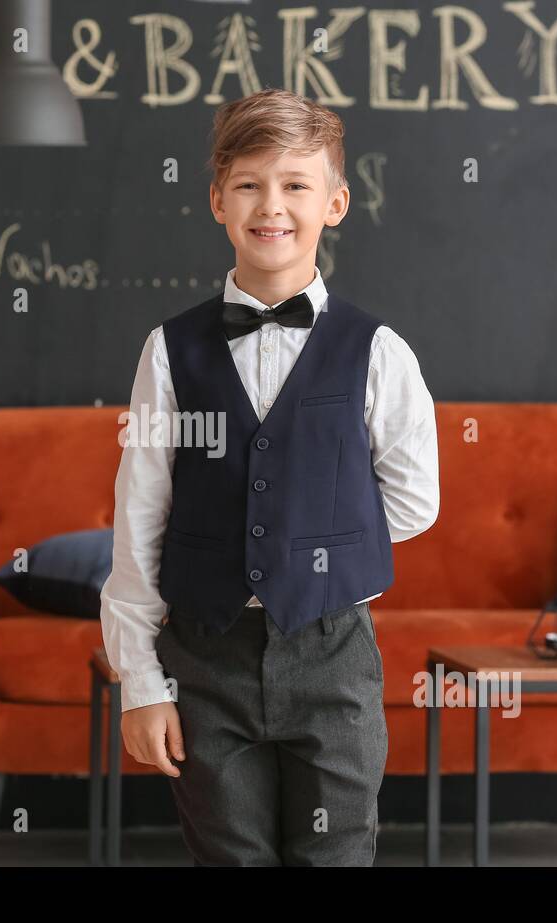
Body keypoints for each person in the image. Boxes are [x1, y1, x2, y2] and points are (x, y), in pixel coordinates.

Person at [99, 88, 440, 866]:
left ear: (336, 202)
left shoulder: (377, 350)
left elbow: (415, 499)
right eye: (249, 183)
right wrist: (141, 681)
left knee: (338, 854)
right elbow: (141, 513)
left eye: (295, 185)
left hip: (333, 654)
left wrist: (304, 542)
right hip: (203, 655)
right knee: (228, 856)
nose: (271, 205)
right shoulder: (169, 349)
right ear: (218, 199)